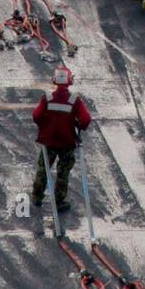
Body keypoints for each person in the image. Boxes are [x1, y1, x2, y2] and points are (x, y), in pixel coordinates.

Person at [31, 65, 91, 212]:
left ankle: (37, 197)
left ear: (55, 80)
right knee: (63, 173)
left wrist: (44, 126)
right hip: (67, 142)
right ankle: (59, 201)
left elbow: (36, 116)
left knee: (43, 169)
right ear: (69, 81)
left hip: (49, 141)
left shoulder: (48, 98)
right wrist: (78, 126)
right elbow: (86, 120)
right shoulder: (74, 100)